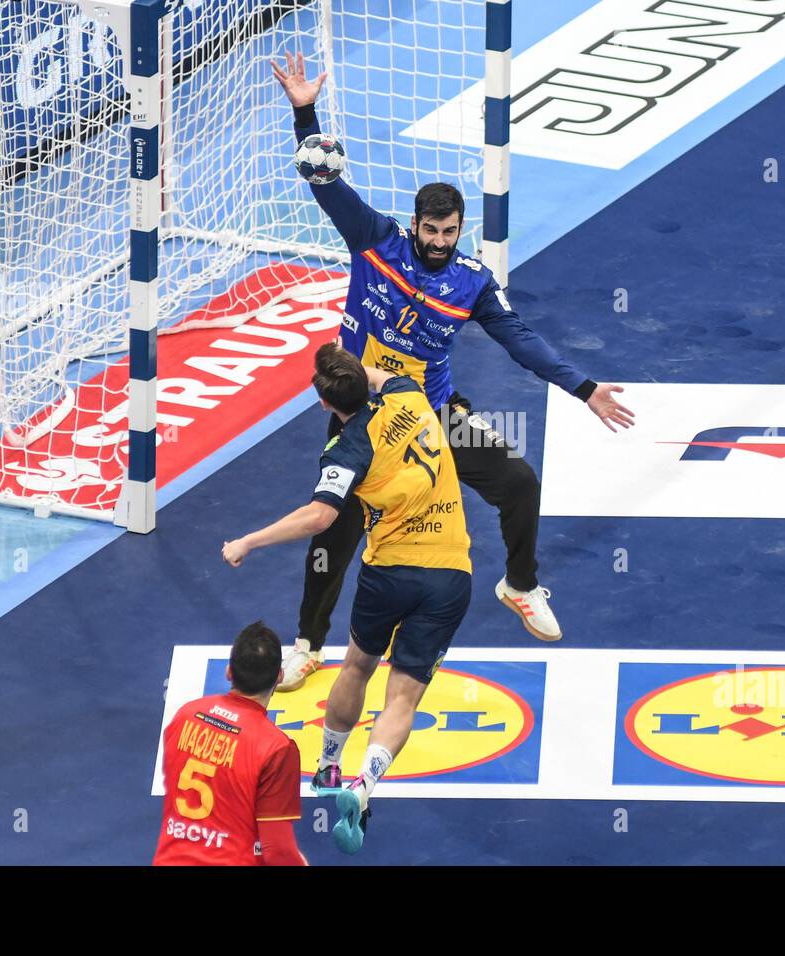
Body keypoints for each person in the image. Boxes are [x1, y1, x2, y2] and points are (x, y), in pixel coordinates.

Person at [269, 51, 636, 690]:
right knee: (337, 521)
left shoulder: (471, 282)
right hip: (360, 416)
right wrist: (305, 110)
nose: (441, 241)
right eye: (432, 230)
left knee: (518, 481)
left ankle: (519, 584)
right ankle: (306, 643)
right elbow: (324, 181)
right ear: (415, 224)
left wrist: (584, 388)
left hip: (433, 416)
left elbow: (518, 339)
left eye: (452, 231)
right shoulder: (373, 240)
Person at [222, 342, 472, 854]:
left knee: (358, 666)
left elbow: (319, 517)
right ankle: (366, 784)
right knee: (403, 695)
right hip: (448, 573)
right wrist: (350, 369)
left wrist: (248, 540)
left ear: (324, 403)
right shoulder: (409, 393)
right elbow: (375, 376)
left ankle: (330, 764)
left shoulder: (348, 448)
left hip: (389, 574)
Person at [153, 621, 307, 866]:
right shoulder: (277, 749)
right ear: (279, 677)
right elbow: (277, 850)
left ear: (229, 672)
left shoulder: (186, 715)